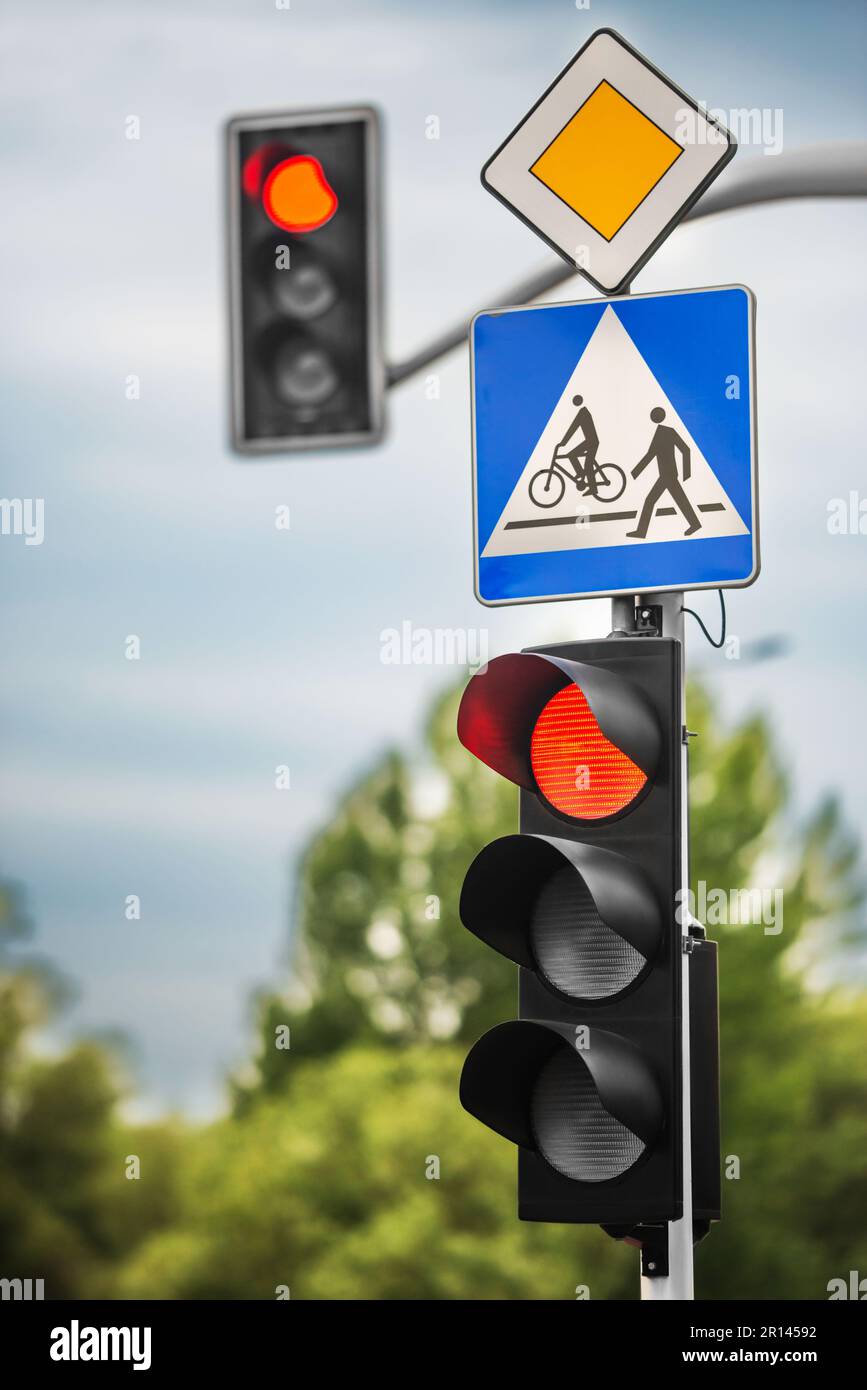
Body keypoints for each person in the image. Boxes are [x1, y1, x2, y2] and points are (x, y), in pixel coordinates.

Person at [627, 407, 701, 539]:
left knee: (651, 500)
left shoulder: (661, 433)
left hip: (668, 475)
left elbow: (651, 455)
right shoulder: (667, 431)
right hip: (668, 474)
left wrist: (635, 472)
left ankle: (641, 532)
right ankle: (695, 524)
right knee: (680, 500)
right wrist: (686, 473)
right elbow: (684, 450)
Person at [556, 395, 599, 495]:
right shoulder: (583, 412)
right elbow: (573, 427)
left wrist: (563, 442)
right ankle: (580, 473)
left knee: (588, 465)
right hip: (589, 441)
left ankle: (593, 489)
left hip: (592, 442)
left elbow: (573, 428)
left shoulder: (583, 413)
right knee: (571, 455)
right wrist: (563, 443)